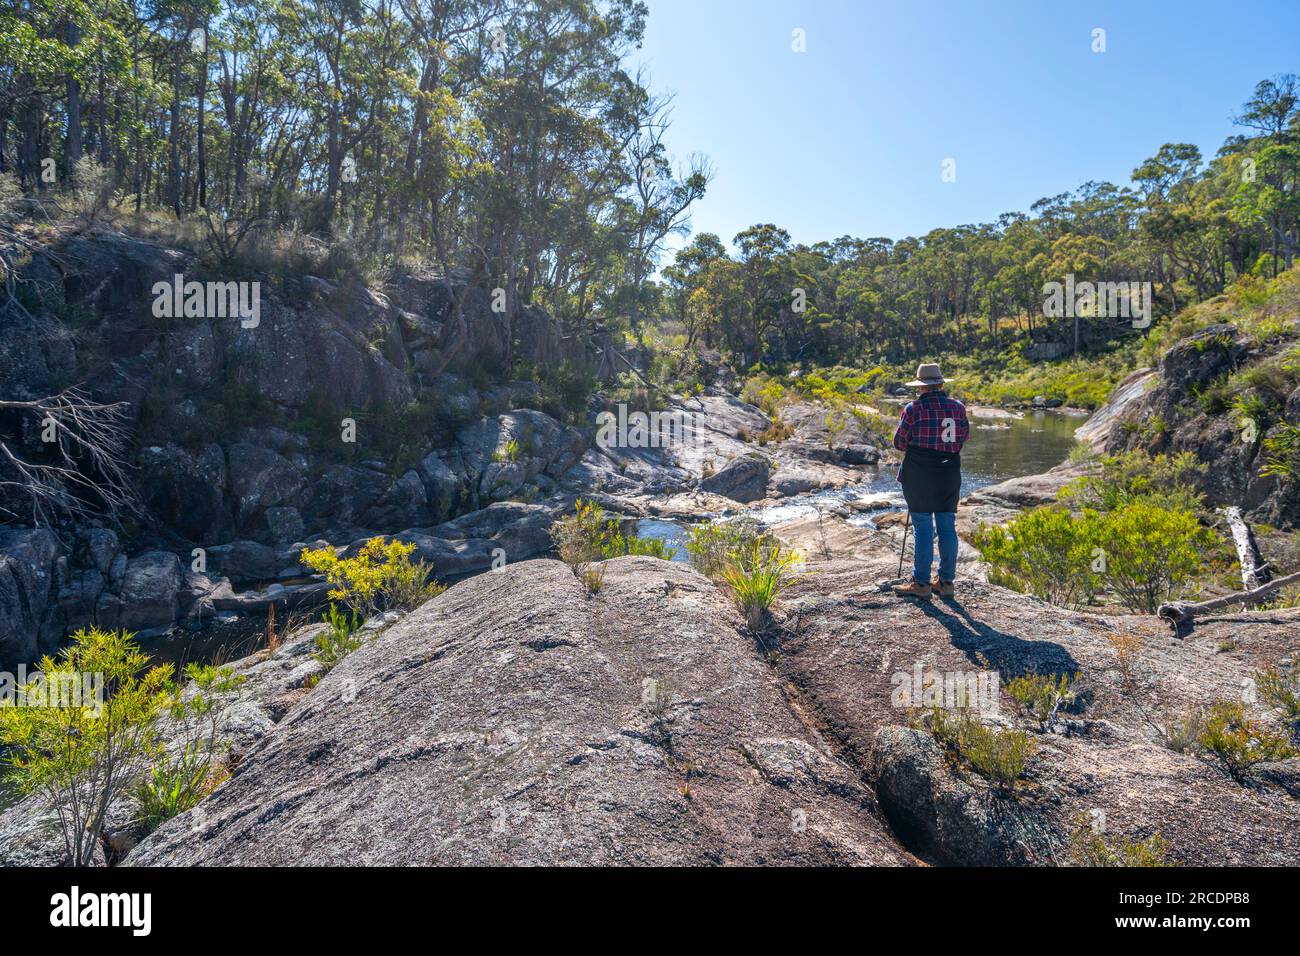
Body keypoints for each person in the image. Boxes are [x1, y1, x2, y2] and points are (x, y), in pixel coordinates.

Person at [891, 363, 969, 599]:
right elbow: (964, 438)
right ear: (941, 383)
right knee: (947, 526)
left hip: (920, 473)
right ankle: (946, 583)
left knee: (923, 526)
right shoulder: (958, 408)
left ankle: (922, 584)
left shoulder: (913, 408)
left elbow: (899, 442)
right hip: (949, 472)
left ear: (921, 386)